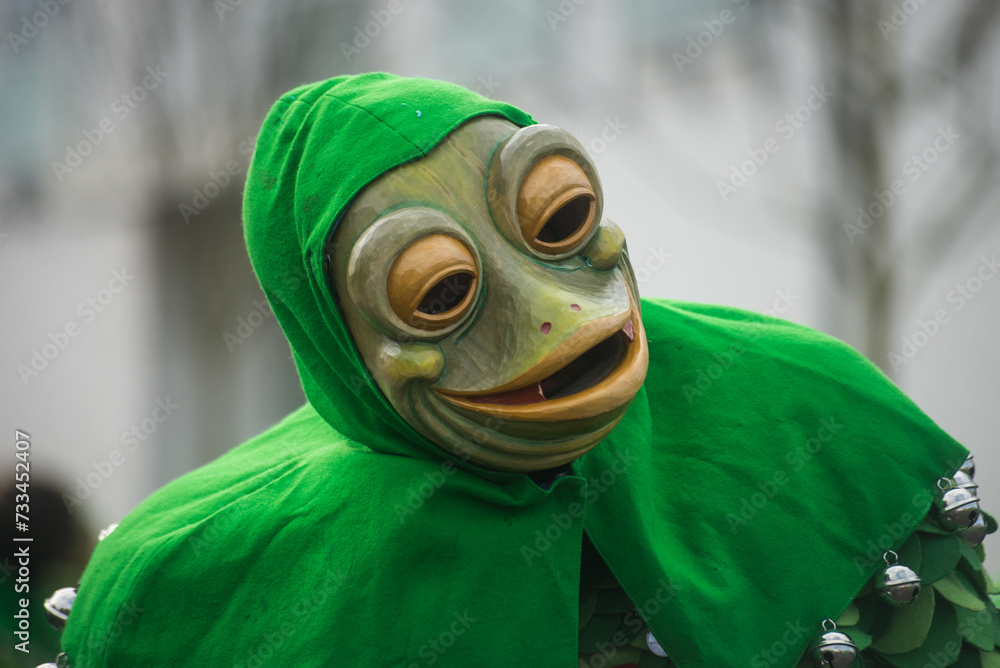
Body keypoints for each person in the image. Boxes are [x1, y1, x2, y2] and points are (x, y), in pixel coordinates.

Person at [48, 73, 997, 668]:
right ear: (340, 345)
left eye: (557, 216)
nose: (550, 316)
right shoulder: (209, 567)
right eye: (438, 290)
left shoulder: (799, 404)